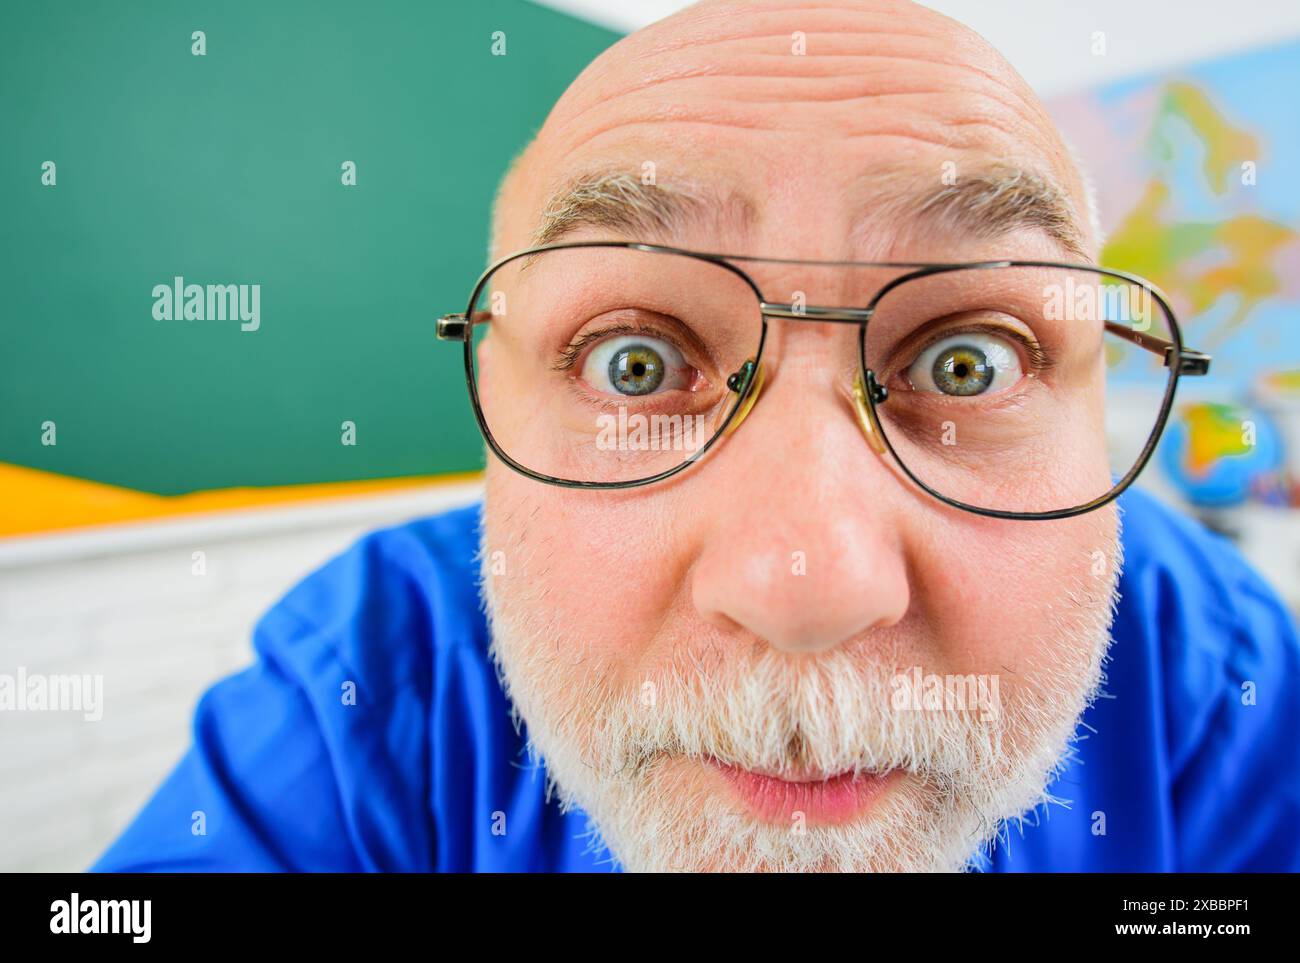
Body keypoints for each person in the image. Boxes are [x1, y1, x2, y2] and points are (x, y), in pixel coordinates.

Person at [94, 0, 1300, 872]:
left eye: (966, 362)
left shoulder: (1205, 663)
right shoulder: (374, 680)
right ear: (495, 409)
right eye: (635, 363)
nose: (807, 588)